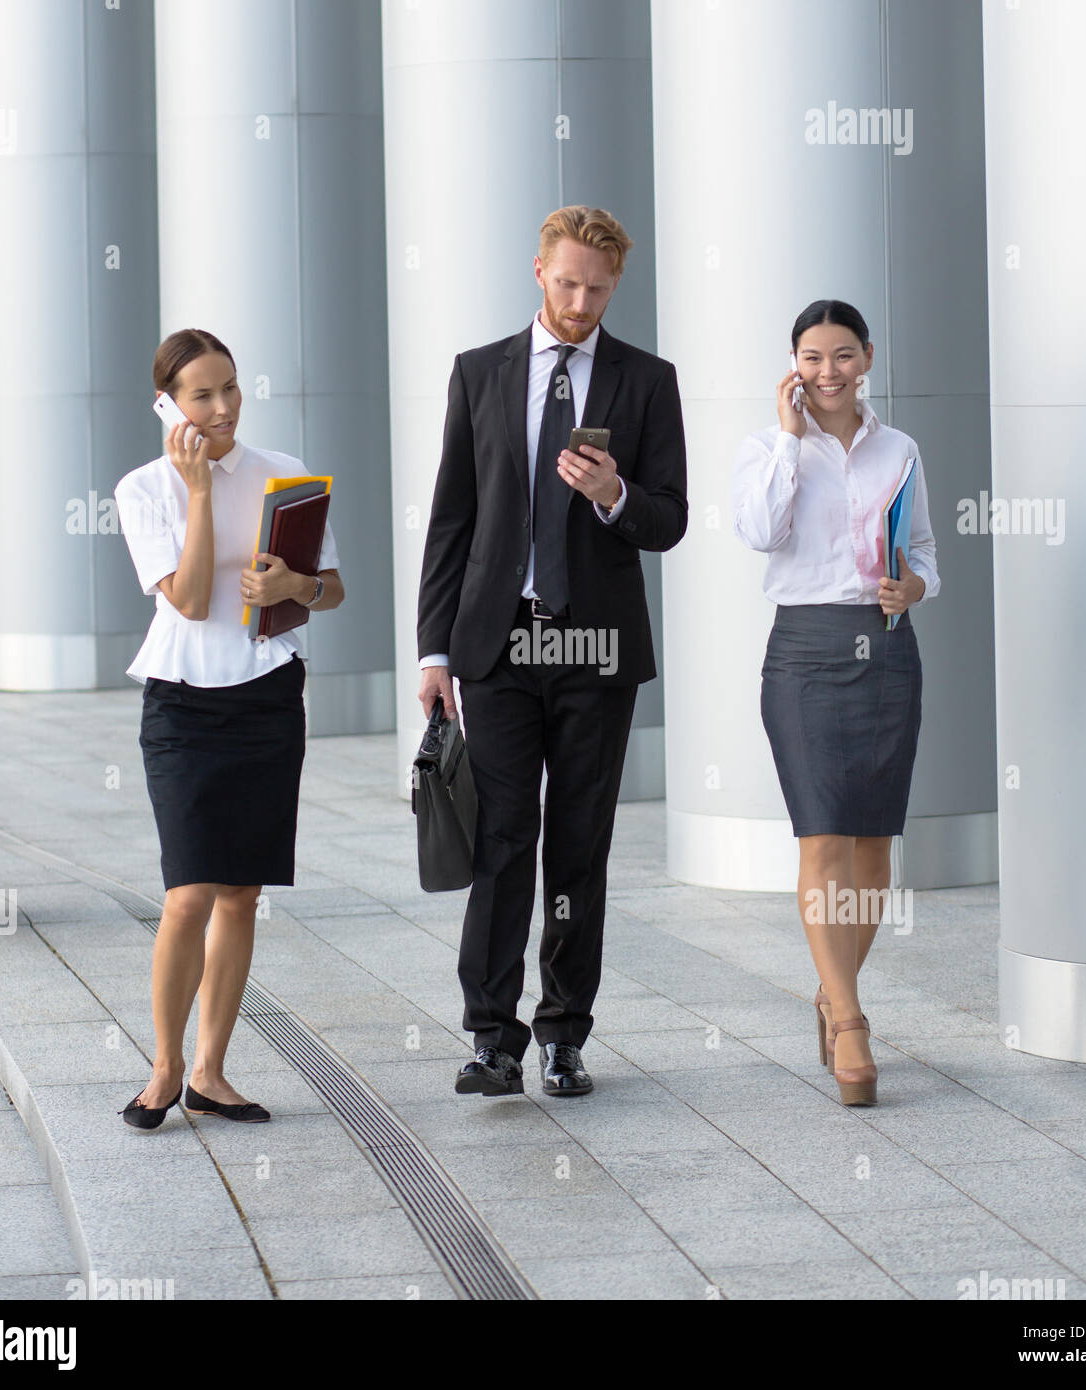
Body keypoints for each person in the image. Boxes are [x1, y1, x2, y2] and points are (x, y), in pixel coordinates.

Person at [417, 206, 688, 1099]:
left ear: (616, 284)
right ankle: (493, 1039)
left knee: (580, 844)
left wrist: (616, 495)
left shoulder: (647, 381)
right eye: (567, 283)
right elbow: (452, 518)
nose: (579, 303)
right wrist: (432, 650)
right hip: (498, 644)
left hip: (595, 648)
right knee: (501, 839)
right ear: (539, 271)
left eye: (597, 289)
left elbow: (670, 519)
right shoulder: (480, 372)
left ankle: (564, 1035)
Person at [113, 328, 344, 1129]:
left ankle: (211, 1073)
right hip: (182, 704)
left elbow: (332, 590)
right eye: (202, 395)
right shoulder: (143, 489)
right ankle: (166, 1067)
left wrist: (294, 585)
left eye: (231, 388)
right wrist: (201, 489)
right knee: (188, 895)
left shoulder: (285, 474)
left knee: (241, 894)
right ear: (167, 406)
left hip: (268, 697)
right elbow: (185, 598)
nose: (222, 407)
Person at [732, 300, 939, 1106]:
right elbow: (760, 532)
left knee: (874, 847)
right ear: (794, 364)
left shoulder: (900, 448)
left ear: (868, 358)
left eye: (843, 355)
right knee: (822, 837)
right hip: (804, 656)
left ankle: (832, 992)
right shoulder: (765, 448)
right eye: (813, 357)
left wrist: (915, 585)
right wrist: (790, 440)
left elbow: (923, 549)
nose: (829, 372)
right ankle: (850, 1020)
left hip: (886, 648)